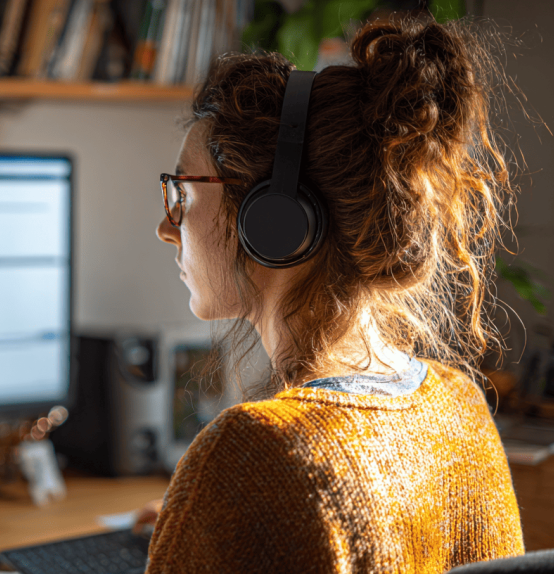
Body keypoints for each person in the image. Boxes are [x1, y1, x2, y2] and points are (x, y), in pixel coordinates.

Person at [143, 15, 525, 574]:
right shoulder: (459, 407)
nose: (165, 227)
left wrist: (209, 515)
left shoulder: (246, 456)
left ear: (273, 219)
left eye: (182, 192)